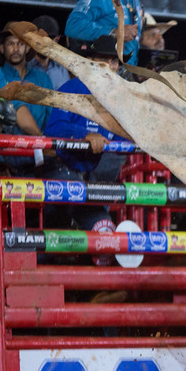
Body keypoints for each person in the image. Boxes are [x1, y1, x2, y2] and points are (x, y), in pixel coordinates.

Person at [43, 35, 131, 237]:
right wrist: (85, 134)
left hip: (97, 178)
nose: (109, 66)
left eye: (114, 61)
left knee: (98, 223)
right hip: (63, 169)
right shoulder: (72, 89)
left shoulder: (120, 100)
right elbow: (54, 129)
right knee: (97, 224)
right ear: (90, 62)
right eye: (103, 60)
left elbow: (124, 141)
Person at [0, 27, 52, 136]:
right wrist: (41, 140)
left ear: (27, 48)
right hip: (8, 150)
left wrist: (48, 146)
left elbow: (51, 115)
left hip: (41, 150)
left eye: (20, 44)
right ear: (2, 49)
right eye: (10, 44)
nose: (16, 49)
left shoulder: (43, 79)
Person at [28, 15, 70, 90]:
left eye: (49, 40)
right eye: (40, 39)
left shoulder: (62, 68)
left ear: (56, 40)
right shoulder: (24, 66)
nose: (44, 44)